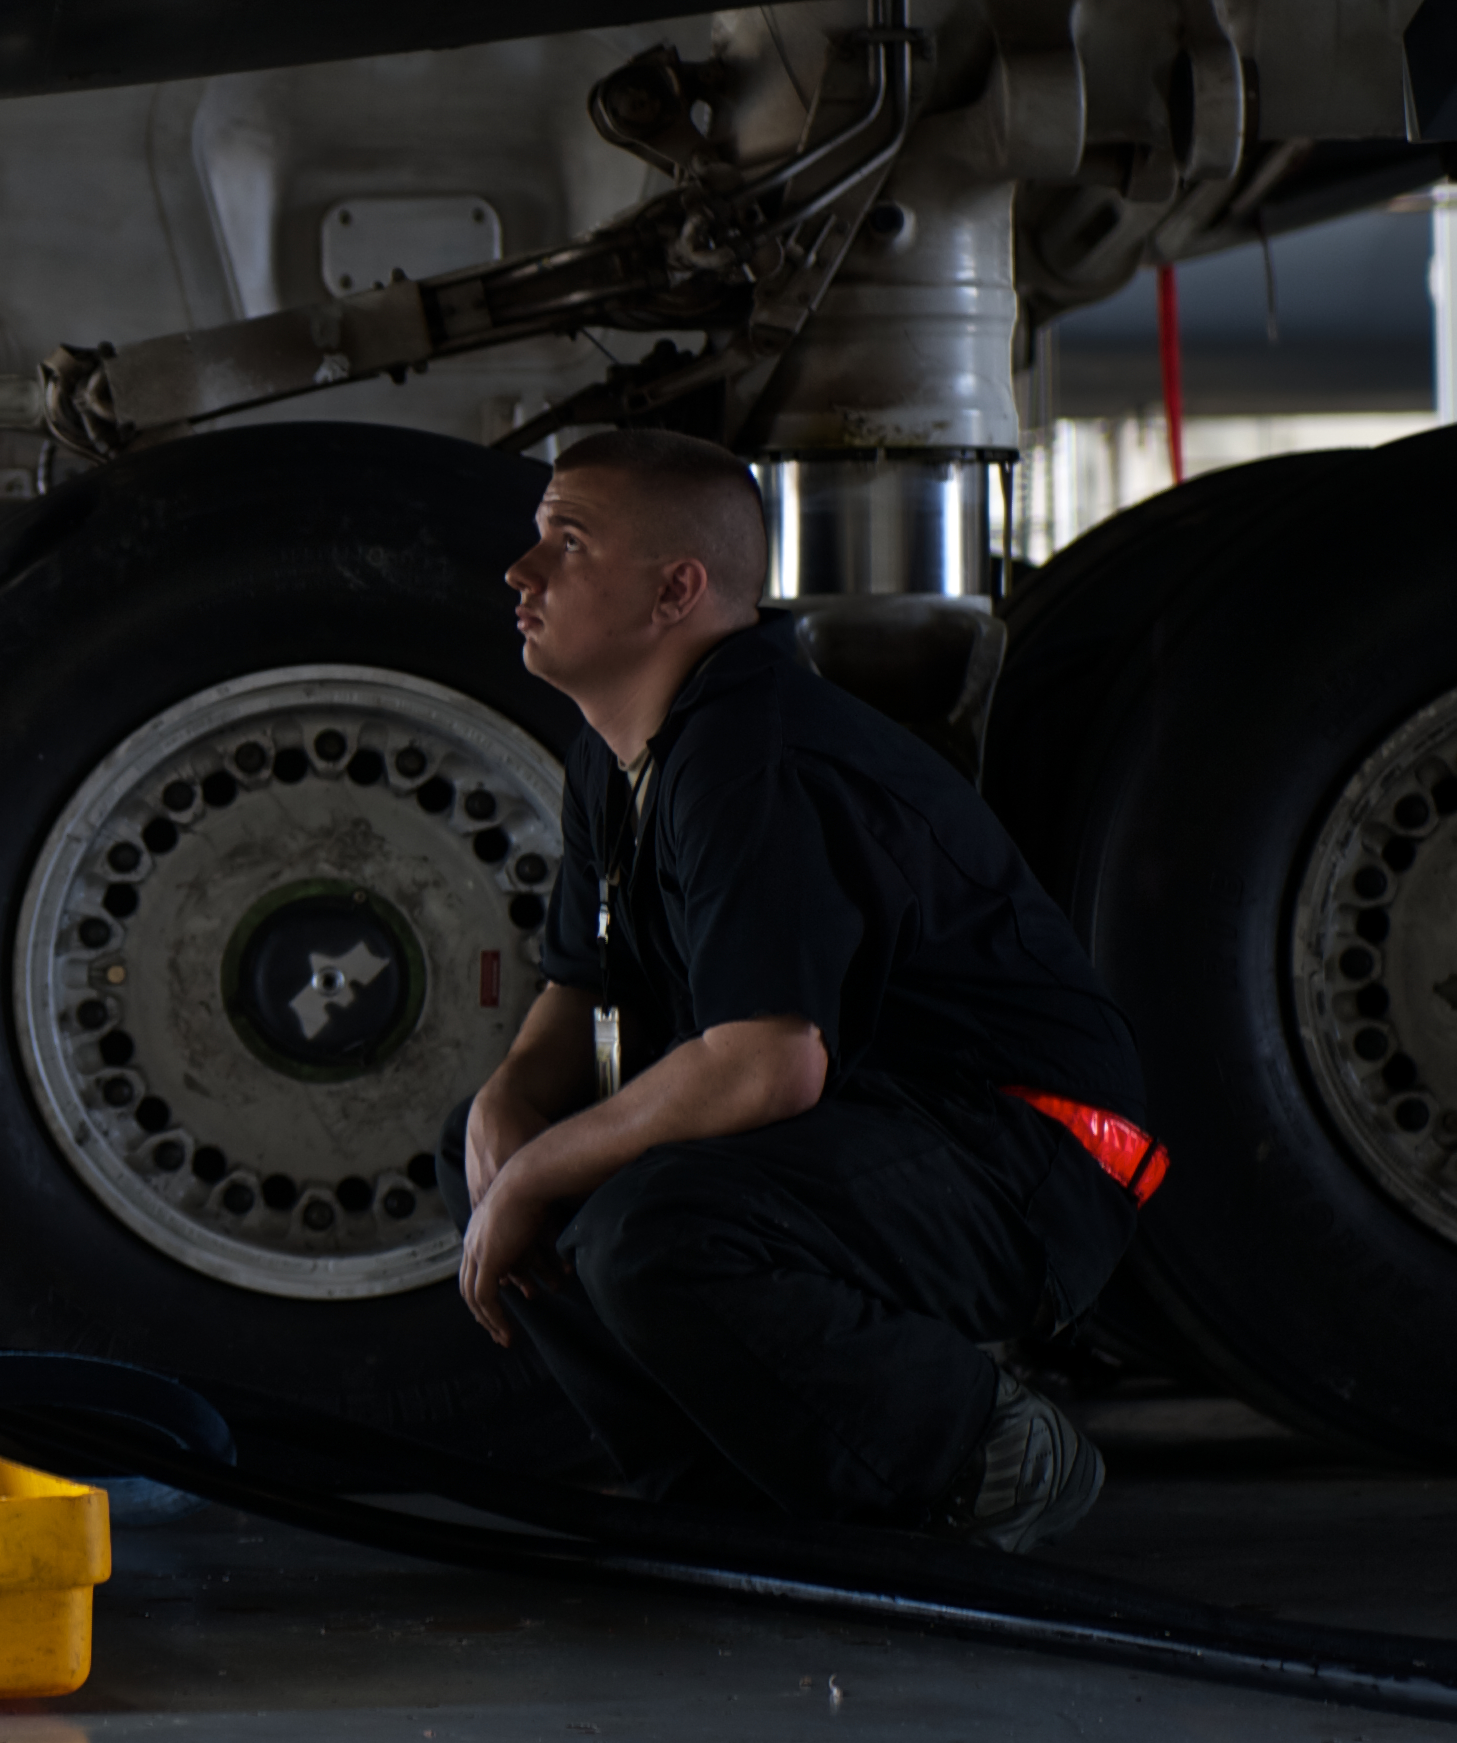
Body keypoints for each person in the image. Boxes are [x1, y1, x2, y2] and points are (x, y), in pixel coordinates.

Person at [443, 427, 1161, 1550]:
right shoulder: (619, 753)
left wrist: (538, 1169)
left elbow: (768, 1064)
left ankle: (981, 1455)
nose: (520, 572)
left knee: (651, 1230)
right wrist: (507, 1115)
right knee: (493, 1150)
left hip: (1034, 1147)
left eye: (567, 545)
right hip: (881, 1126)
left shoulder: (749, 756)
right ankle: (721, 1500)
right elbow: (577, 991)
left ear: (675, 591)